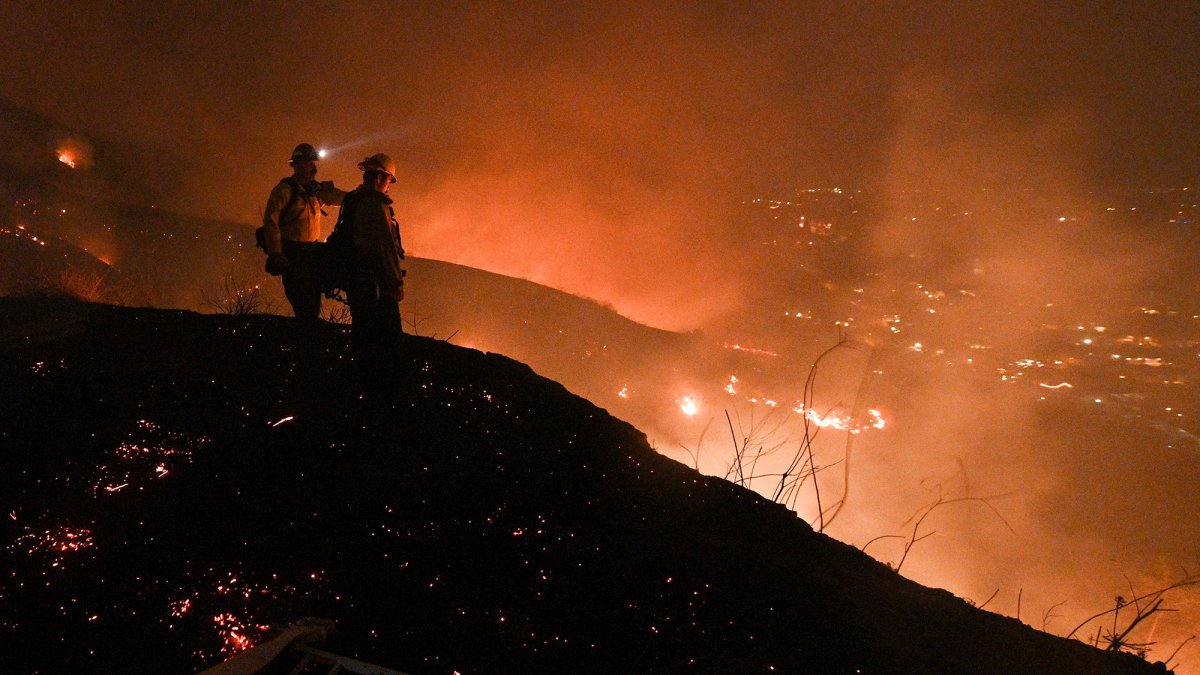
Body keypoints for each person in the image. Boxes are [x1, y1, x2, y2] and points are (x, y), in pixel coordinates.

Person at [261, 143, 346, 339]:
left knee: (312, 304)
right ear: (296, 164)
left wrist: (359, 197)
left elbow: (339, 197)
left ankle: (307, 340)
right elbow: (270, 222)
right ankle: (304, 342)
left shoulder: (315, 191)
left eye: (313, 162)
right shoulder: (284, 190)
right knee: (303, 304)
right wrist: (276, 253)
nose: (312, 167)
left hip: (312, 256)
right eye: (308, 162)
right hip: (293, 256)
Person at [338, 153, 405, 372]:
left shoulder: (354, 200)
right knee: (388, 339)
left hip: (357, 281)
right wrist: (396, 282)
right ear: (378, 177)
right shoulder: (375, 206)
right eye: (389, 180)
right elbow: (385, 248)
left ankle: (364, 378)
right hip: (376, 284)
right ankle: (381, 384)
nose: (389, 186)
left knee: (363, 333)